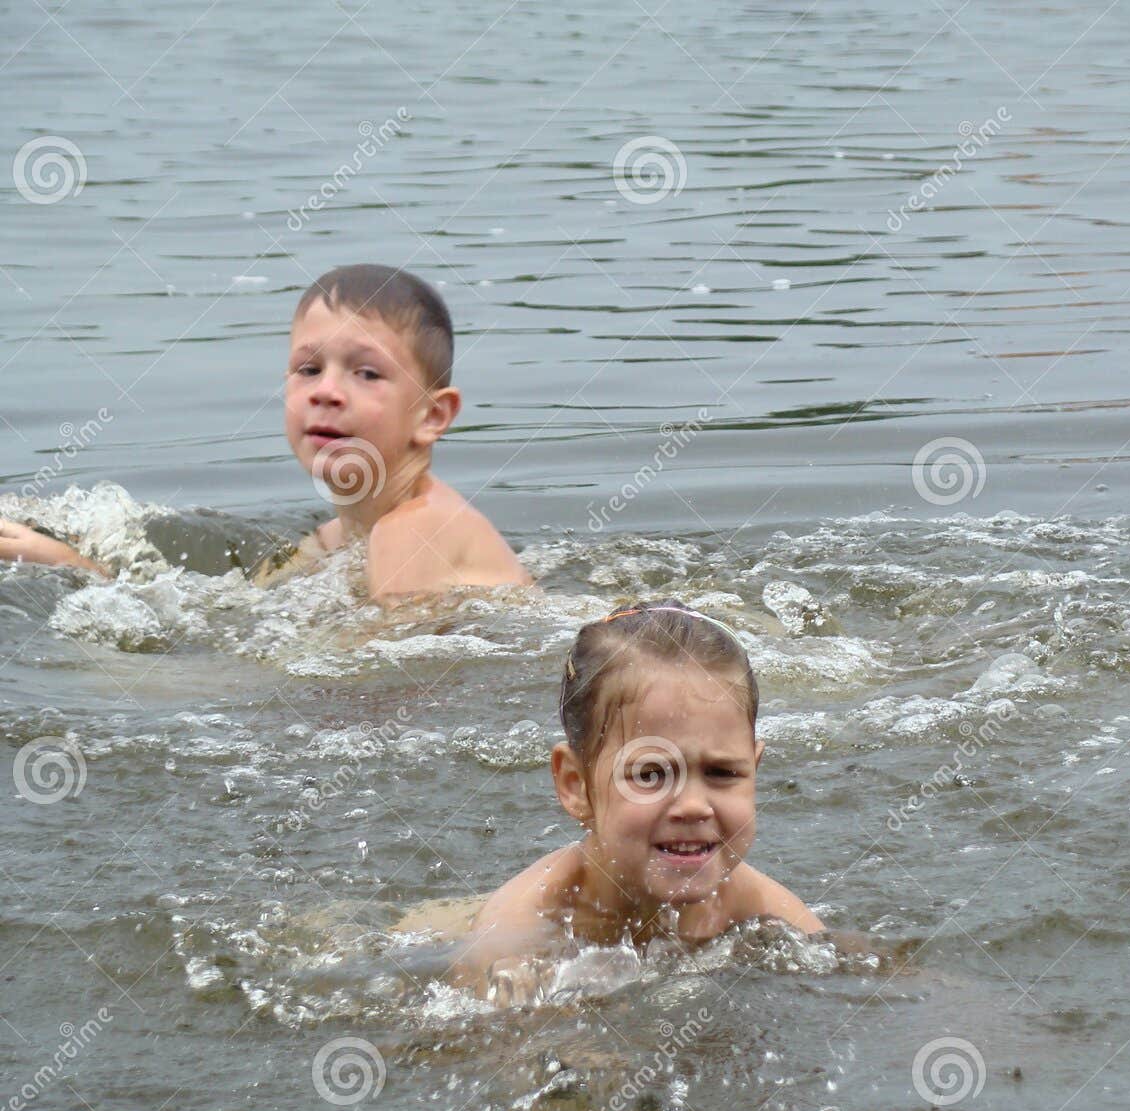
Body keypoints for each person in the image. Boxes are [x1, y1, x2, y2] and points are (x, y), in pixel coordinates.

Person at [0, 265, 530, 602]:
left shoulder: (414, 531)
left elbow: (375, 682)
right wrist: (81, 567)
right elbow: (222, 617)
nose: (327, 391)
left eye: (367, 373)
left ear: (432, 416)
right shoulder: (334, 539)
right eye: (308, 369)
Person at [457, 599, 822, 1001]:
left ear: (754, 768)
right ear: (576, 785)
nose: (693, 806)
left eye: (722, 773)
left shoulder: (769, 914)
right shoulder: (517, 939)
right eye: (651, 775)